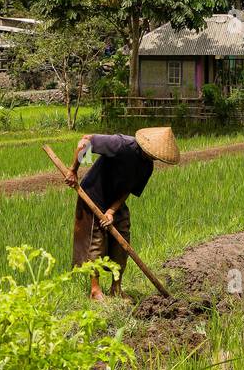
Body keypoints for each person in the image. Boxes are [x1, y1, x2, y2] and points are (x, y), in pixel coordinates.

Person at [65, 127, 180, 300]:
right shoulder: (121, 145)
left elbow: (128, 189)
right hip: (93, 194)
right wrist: (74, 170)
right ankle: (95, 290)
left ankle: (116, 288)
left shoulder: (147, 167)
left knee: (123, 237)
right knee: (96, 240)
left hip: (114, 201)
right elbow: (85, 141)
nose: (155, 157)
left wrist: (111, 211)